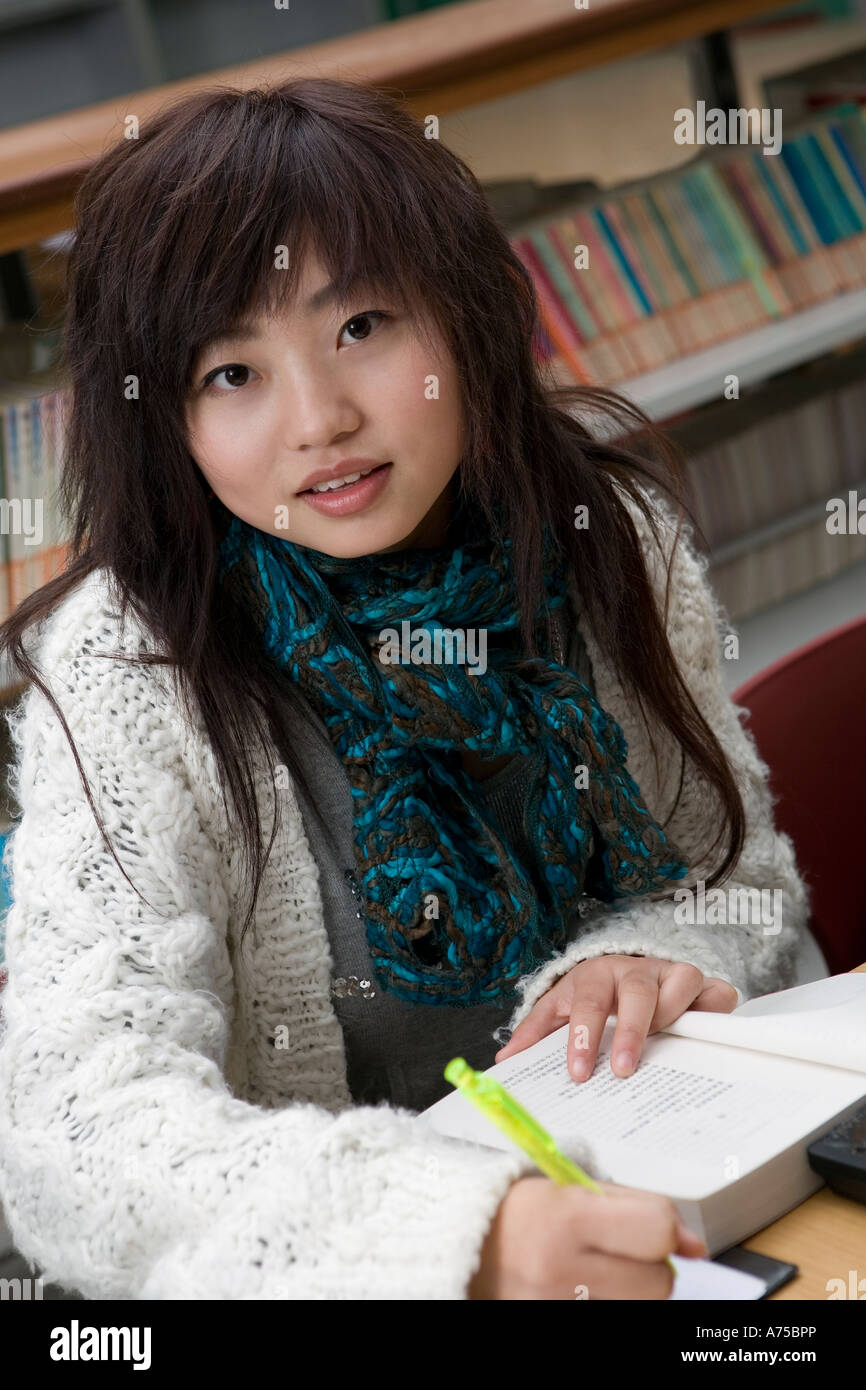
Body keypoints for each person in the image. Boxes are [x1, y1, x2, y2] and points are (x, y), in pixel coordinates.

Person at [0, 78, 808, 1301]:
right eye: (230, 373)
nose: (319, 418)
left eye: (362, 325)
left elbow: (737, 885)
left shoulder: (602, 540)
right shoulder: (132, 666)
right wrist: (454, 1238)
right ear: (161, 419)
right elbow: (73, 1133)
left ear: (465, 315)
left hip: (659, 1235)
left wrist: (657, 953)